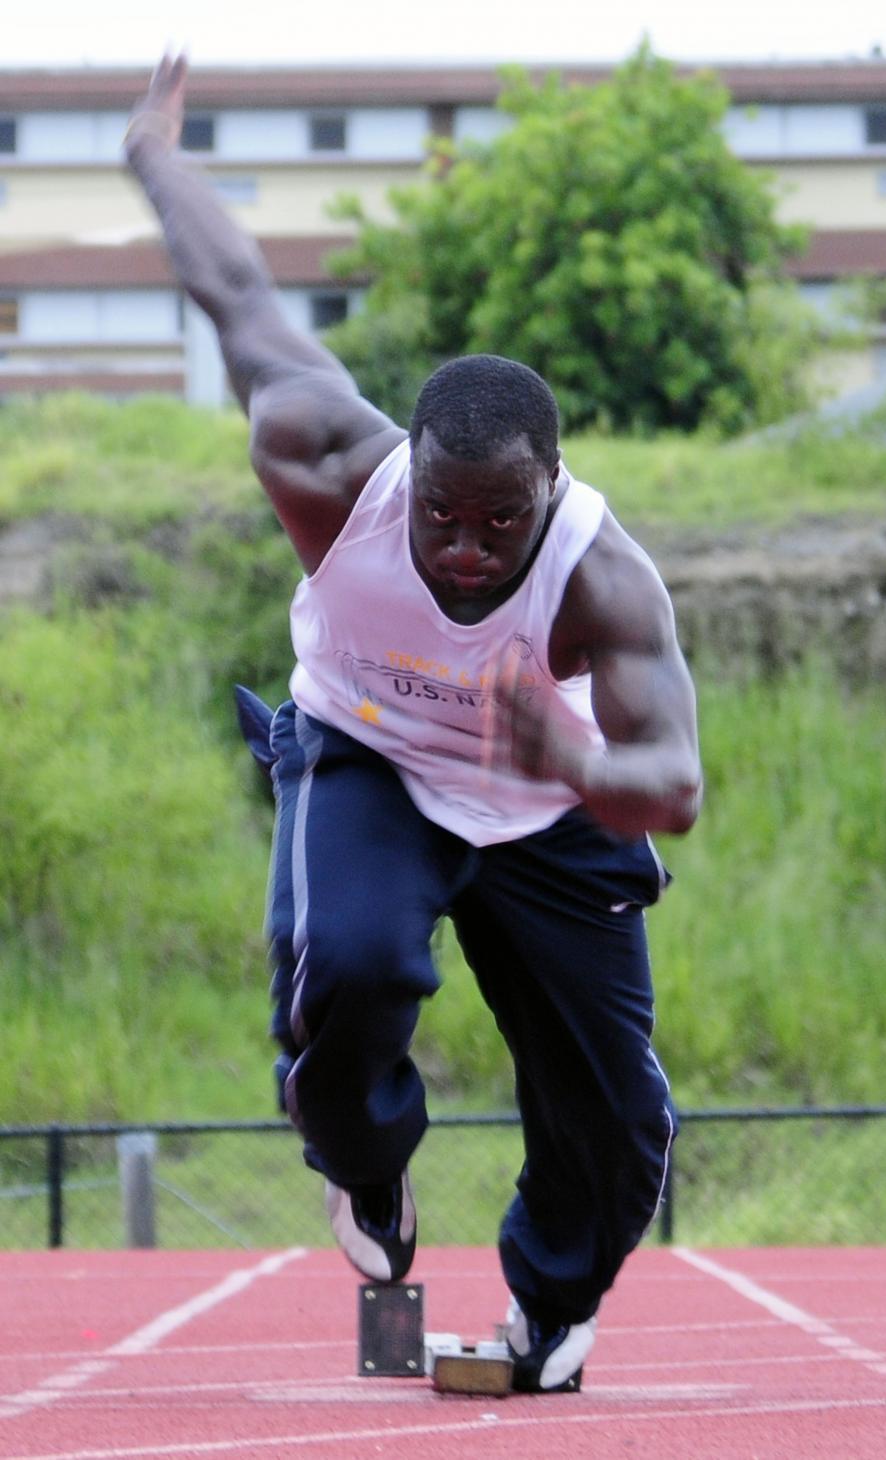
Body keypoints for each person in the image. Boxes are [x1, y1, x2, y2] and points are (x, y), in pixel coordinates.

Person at [125, 54, 702, 1394]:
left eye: (501, 521)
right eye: (441, 515)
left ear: (554, 489)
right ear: (407, 480)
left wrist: (571, 757)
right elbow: (240, 296)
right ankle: (368, 1181)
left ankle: (548, 1309)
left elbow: (669, 784)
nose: (462, 549)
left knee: (616, 1117)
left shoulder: (603, 580)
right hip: (368, 747)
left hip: (547, 799)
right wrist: (155, 157)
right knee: (350, 966)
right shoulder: (326, 458)